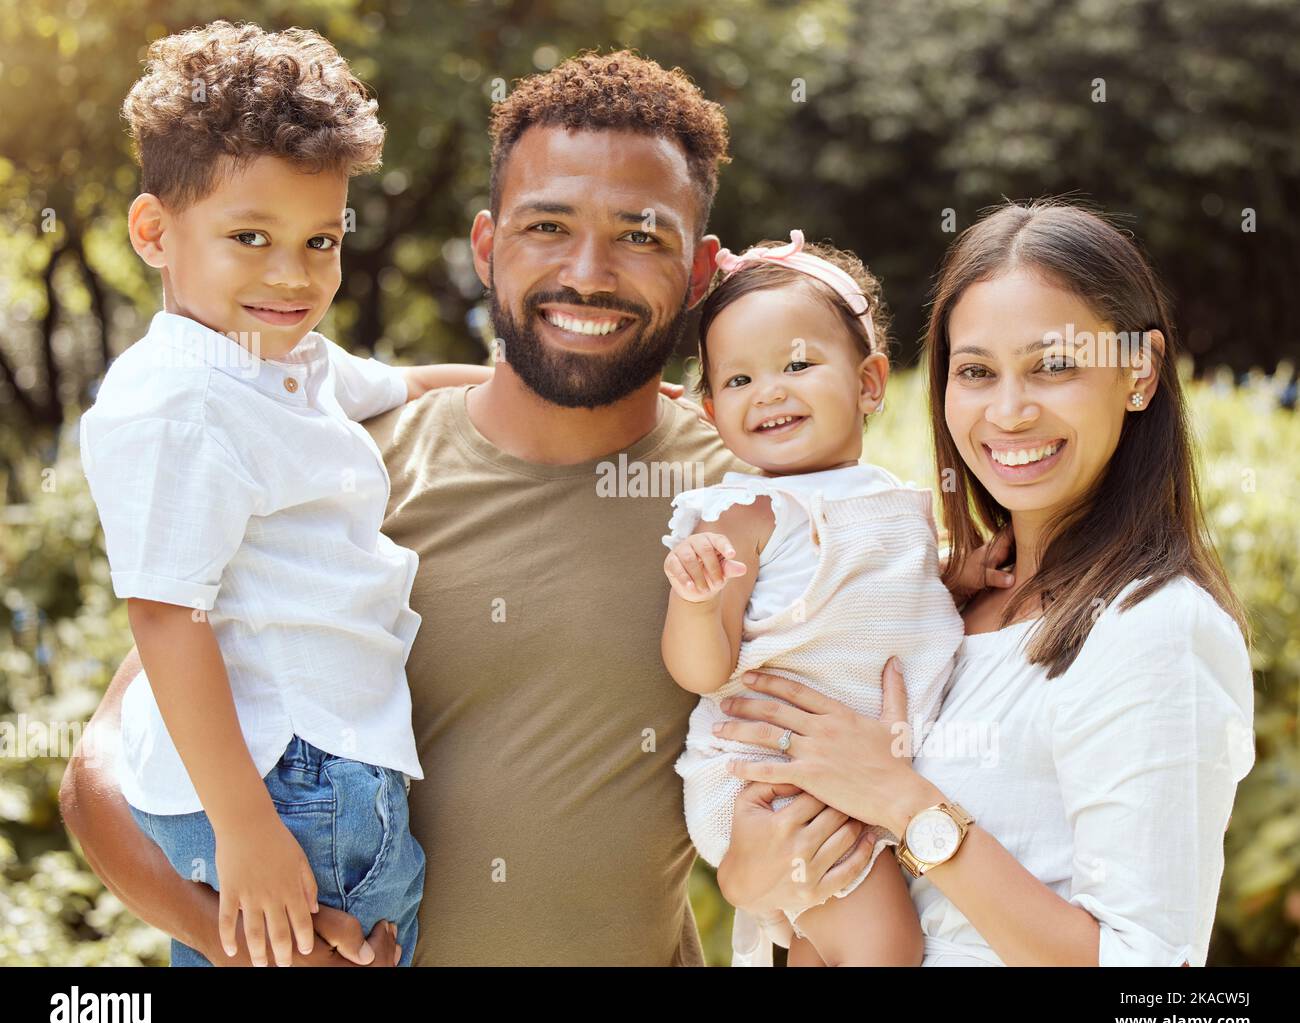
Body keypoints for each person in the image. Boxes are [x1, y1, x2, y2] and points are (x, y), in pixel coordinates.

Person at [62, 49, 853, 966]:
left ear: (702, 269)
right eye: (547, 225)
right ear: (487, 245)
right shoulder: (345, 466)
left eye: (641, 235)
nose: (588, 273)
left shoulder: (758, 501)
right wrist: (250, 949)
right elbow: (101, 778)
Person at [711, 200, 1256, 967]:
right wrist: (747, 874)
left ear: (1139, 373)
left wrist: (904, 803)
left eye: (1054, 365)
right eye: (975, 372)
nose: (1009, 411)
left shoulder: (1154, 628)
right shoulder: (935, 607)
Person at [72, 20, 513, 967]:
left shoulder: (282, 359)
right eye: (250, 238)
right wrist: (247, 834)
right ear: (154, 232)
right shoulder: (177, 402)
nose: (293, 274)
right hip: (288, 778)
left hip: (310, 767)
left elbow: (397, 386)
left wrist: (523, 389)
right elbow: (163, 619)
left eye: (320, 239)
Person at [659, 231, 965, 965]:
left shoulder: (885, 496)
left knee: (823, 948)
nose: (768, 391)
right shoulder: (744, 516)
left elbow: (888, 597)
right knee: (887, 947)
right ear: (709, 410)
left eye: (798, 364)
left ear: (868, 382)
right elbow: (703, 671)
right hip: (775, 784)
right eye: (738, 381)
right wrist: (698, 605)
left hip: (845, 774)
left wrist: (961, 573)